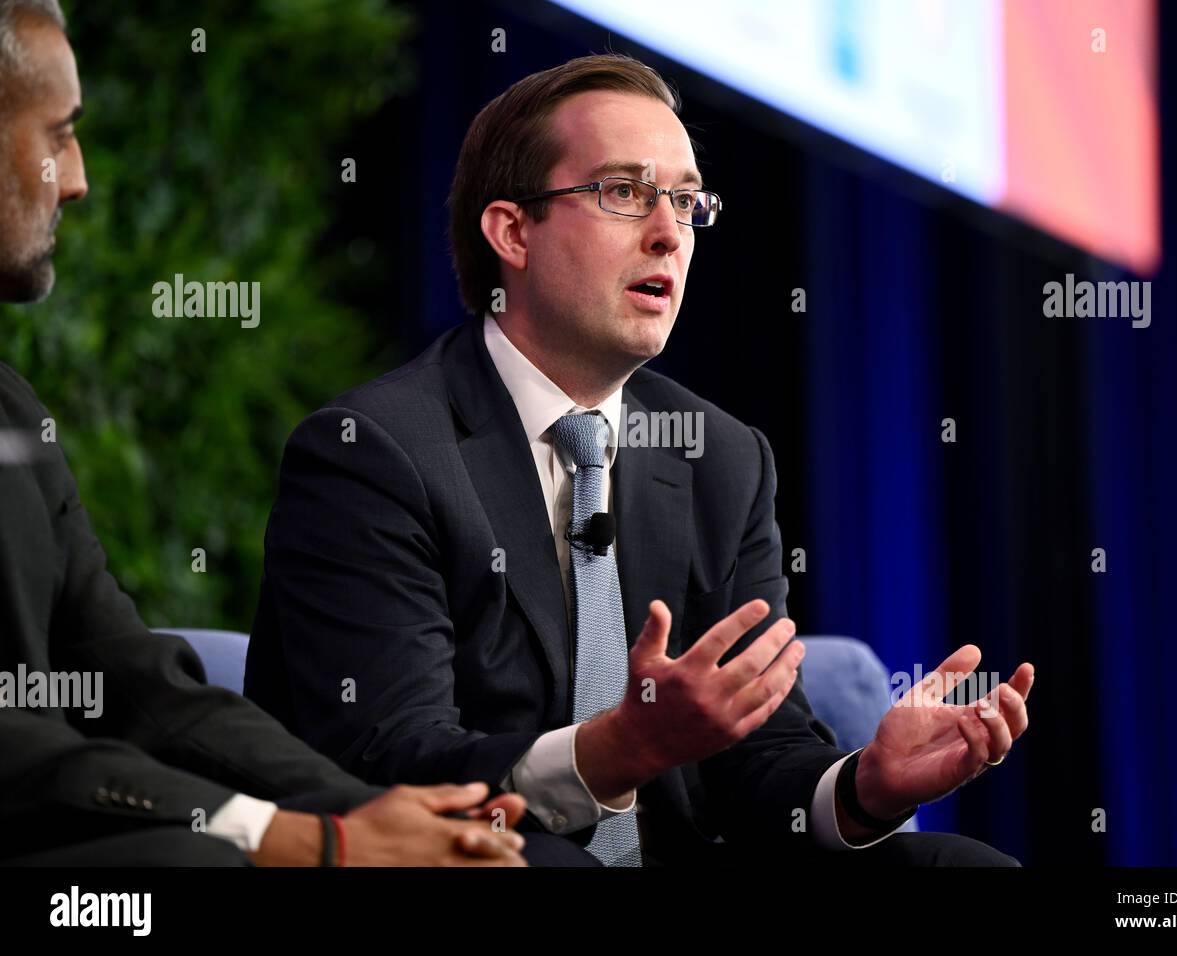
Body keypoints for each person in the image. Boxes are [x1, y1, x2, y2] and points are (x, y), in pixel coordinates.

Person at [246, 53, 1035, 867]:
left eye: (687, 201)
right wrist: (613, 750)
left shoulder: (721, 457)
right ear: (512, 231)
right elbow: (388, 764)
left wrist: (866, 784)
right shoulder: (373, 455)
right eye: (623, 193)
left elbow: (758, 763)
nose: (669, 232)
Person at [0, 0, 551, 867]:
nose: (77, 179)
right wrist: (302, 840)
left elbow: (140, 690)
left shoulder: (12, 409)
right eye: (57, 135)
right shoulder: (381, 447)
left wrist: (386, 822)